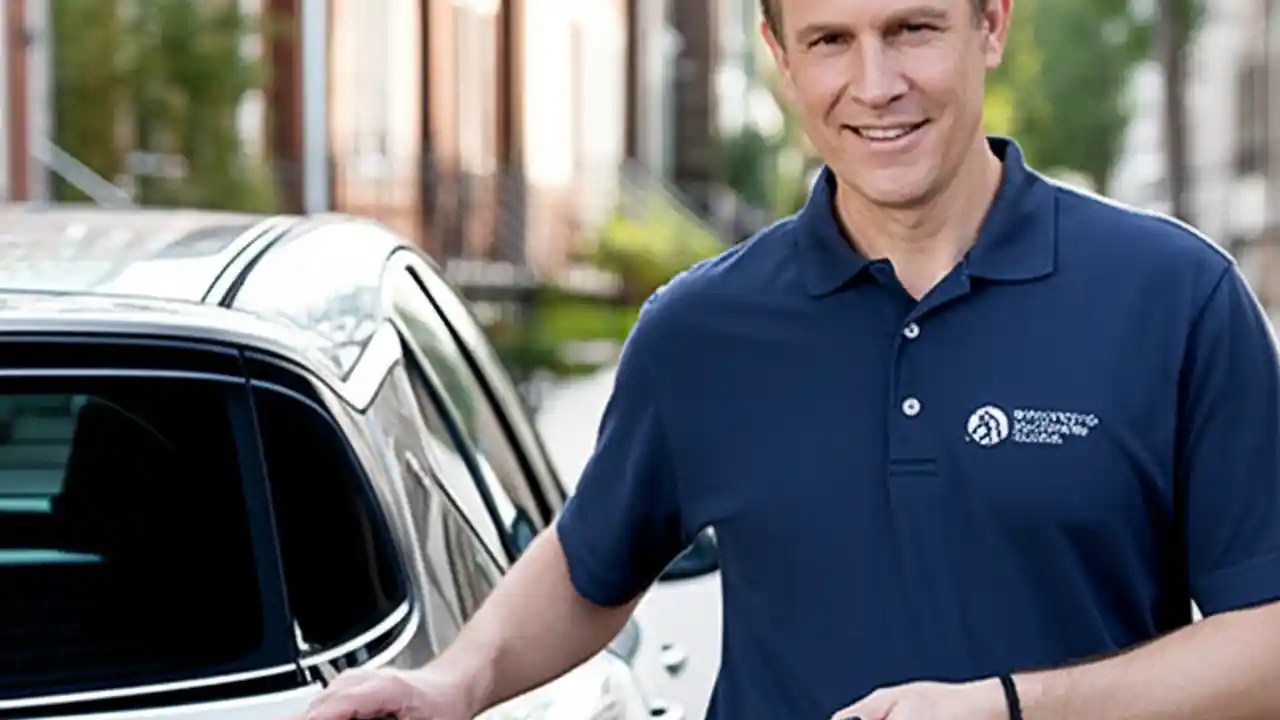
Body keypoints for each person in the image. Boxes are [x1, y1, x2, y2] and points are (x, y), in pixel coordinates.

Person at [300, 0, 1280, 717]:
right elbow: (590, 561)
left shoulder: (1170, 297)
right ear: (778, 54)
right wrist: (452, 681)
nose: (874, 85)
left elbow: (1265, 648)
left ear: (990, 24)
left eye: (910, 29)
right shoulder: (699, 330)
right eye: (828, 41)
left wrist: (1013, 708)